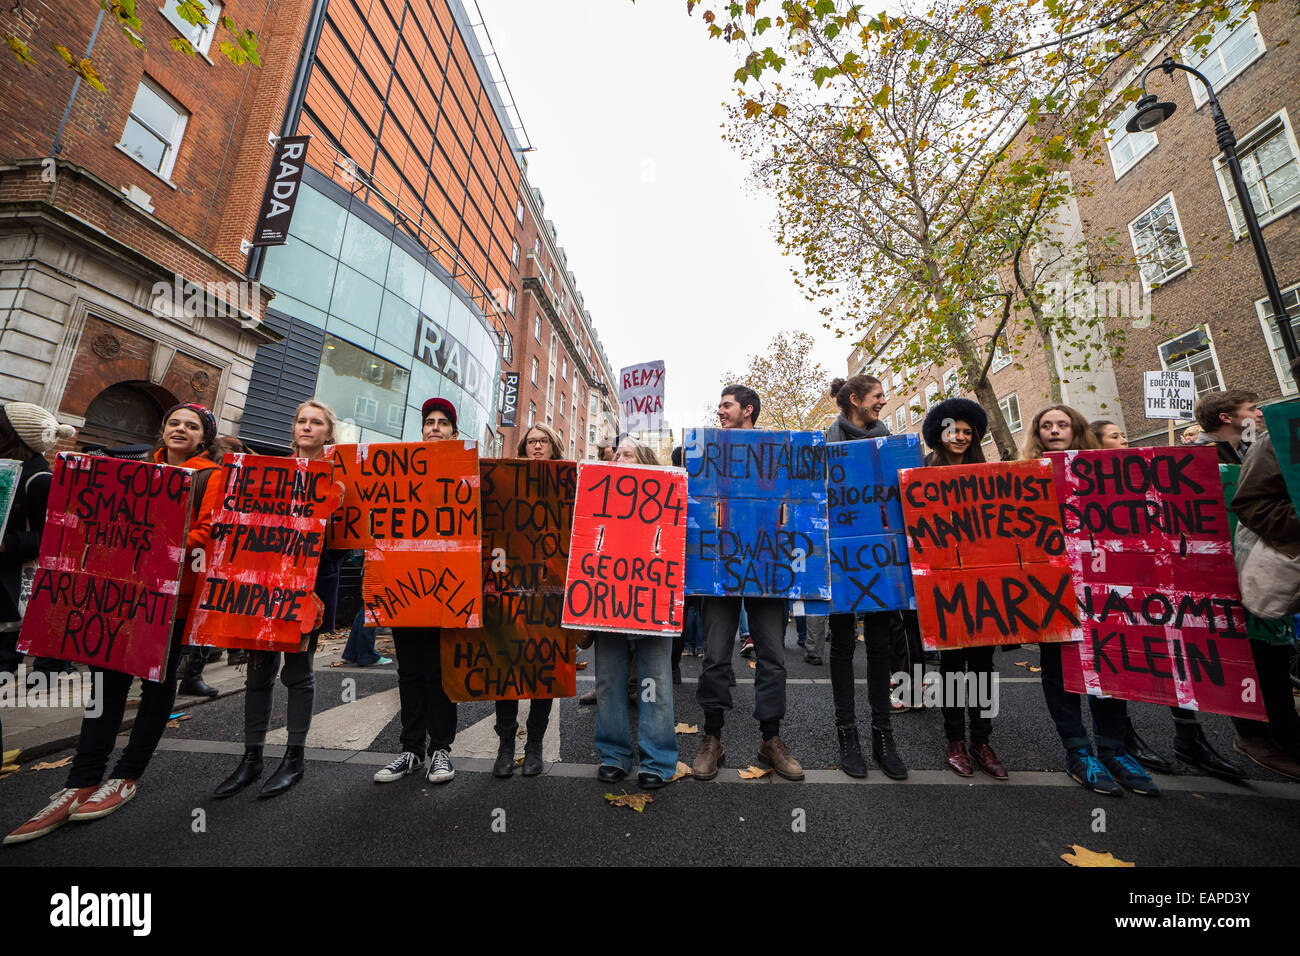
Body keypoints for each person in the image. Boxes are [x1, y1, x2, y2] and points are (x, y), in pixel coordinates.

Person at [5, 403, 223, 842]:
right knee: (105, 688)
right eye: (174, 423)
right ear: (163, 430)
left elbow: (208, 528)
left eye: (192, 426)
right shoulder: (136, 469)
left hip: (171, 601)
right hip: (118, 598)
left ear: (204, 438)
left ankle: (126, 775)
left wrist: (161, 541)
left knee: (157, 691)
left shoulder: (211, 476)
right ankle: (80, 780)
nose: (181, 429)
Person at [1087, 418, 1243, 779]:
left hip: (1157, 579)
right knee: (1117, 657)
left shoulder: (1149, 471)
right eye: (1115, 436)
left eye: (1124, 434)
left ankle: (1188, 736)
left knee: (1175, 654)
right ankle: (1122, 736)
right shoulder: (1089, 479)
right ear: (1096, 444)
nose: (1124, 439)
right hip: (1112, 586)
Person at [1022, 405, 1157, 797]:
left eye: (1062, 424)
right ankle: (1078, 751)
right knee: (1058, 668)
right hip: (1051, 589)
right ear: (1038, 433)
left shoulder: (1108, 473)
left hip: (1103, 587)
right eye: (1045, 425)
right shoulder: (1024, 475)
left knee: (1109, 662)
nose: (1053, 430)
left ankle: (1114, 749)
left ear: (1076, 430)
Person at [213, 400, 346, 799]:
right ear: (294, 429)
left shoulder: (335, 482)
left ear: (328, 433)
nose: (307, 427)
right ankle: (251, 758)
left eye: (316, 422)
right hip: (260, 591)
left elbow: (342, 547)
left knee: (299, 673)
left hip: (306, 592)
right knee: (258, 671)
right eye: (301, 420)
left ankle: (293, 758)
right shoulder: (265, 476)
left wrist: (310, 550)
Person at [692, 385, 804, 781]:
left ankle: (770, 739)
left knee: (772, 658)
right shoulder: (706, 453)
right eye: (719, 405)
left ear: (747, 410)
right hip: (719, 569)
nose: (719, 411)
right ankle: (712, 738)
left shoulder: (778, 451)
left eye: (726, 405)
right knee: (716, 658)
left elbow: (801, 498)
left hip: (767, 568)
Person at [372, 398, 463, 785]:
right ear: (422, 429)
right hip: (404, 587)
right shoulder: (399, 470)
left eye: (443, 423)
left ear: (454, 433)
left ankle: (441, 750)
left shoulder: (464, 471)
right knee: (409, 671)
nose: (435, 428)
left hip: (446, 588)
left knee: (440, 671)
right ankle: (411, 749)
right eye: (430, 422)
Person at [823, 375, 909, 779]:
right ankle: (847, 735)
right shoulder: (826, 445)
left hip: (882, 563)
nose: (883, 402)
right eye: (877, 397)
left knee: (879, 648)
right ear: (855, 400)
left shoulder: (892, 445)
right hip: (841, 564)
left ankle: (883, 735)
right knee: (841, 649)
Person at [921, 398, 1007, 779]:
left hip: (983, 581)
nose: (959, 436)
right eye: (953, 430)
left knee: (984, 668)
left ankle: (982, 740)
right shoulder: (921, 471)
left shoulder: (988, 473)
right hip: (943, 584)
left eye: (967, 432)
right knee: (954, 667)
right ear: (941, 434)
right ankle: (955, 740)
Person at [594, 437, 678, 789]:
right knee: (609, 681)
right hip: (608, 603)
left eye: (628, 454)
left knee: (653, 682)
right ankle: (614, 755)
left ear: (645, 461)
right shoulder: (597, 496)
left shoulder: (668, 499)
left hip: (653, 605)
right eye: (617, 454)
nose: (620, 458)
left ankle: (656, 760)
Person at [1228, 374, 1300, 781]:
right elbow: (1251, 504)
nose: (1258, 412)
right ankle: (1262, 734)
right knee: (1264, 660)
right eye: (1249, 408)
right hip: (1270, 574)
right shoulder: (1277, 442)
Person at [492, 422, 567, 778]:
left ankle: (534, 744)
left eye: (544, 441)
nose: (537, 446)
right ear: (523, 448)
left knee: (544, 668)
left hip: (550, 593)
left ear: (554, 447)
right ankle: (506, 744)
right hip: (511, 589)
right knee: (506, 667)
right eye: (532, 441)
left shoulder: (569, 484)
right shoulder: (505, 480)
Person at [1193, 389, 1264, 463]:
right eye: (1252, 409)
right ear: (1226, 418)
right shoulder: (1199, 458)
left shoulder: (1255, 447)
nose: (1260, 413)